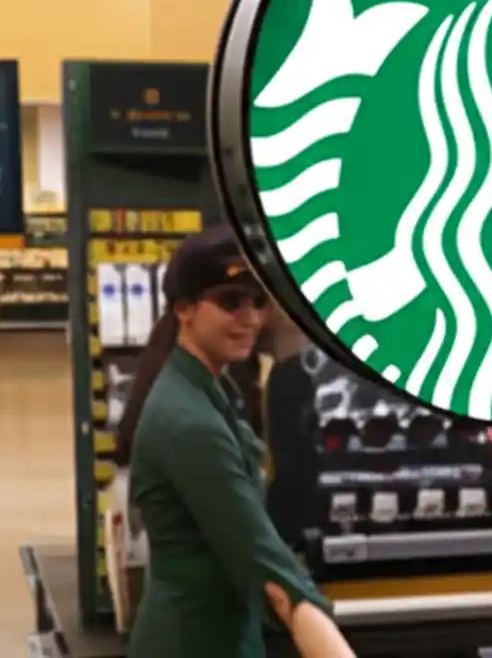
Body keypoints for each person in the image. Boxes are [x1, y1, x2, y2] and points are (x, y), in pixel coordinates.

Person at [116, 224, 355, 658]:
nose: (250, 318)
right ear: (184, 309)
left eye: (257, 302)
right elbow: (267, 565)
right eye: (231, 302)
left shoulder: (212, 392)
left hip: (222, 632)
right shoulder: (187, 423)